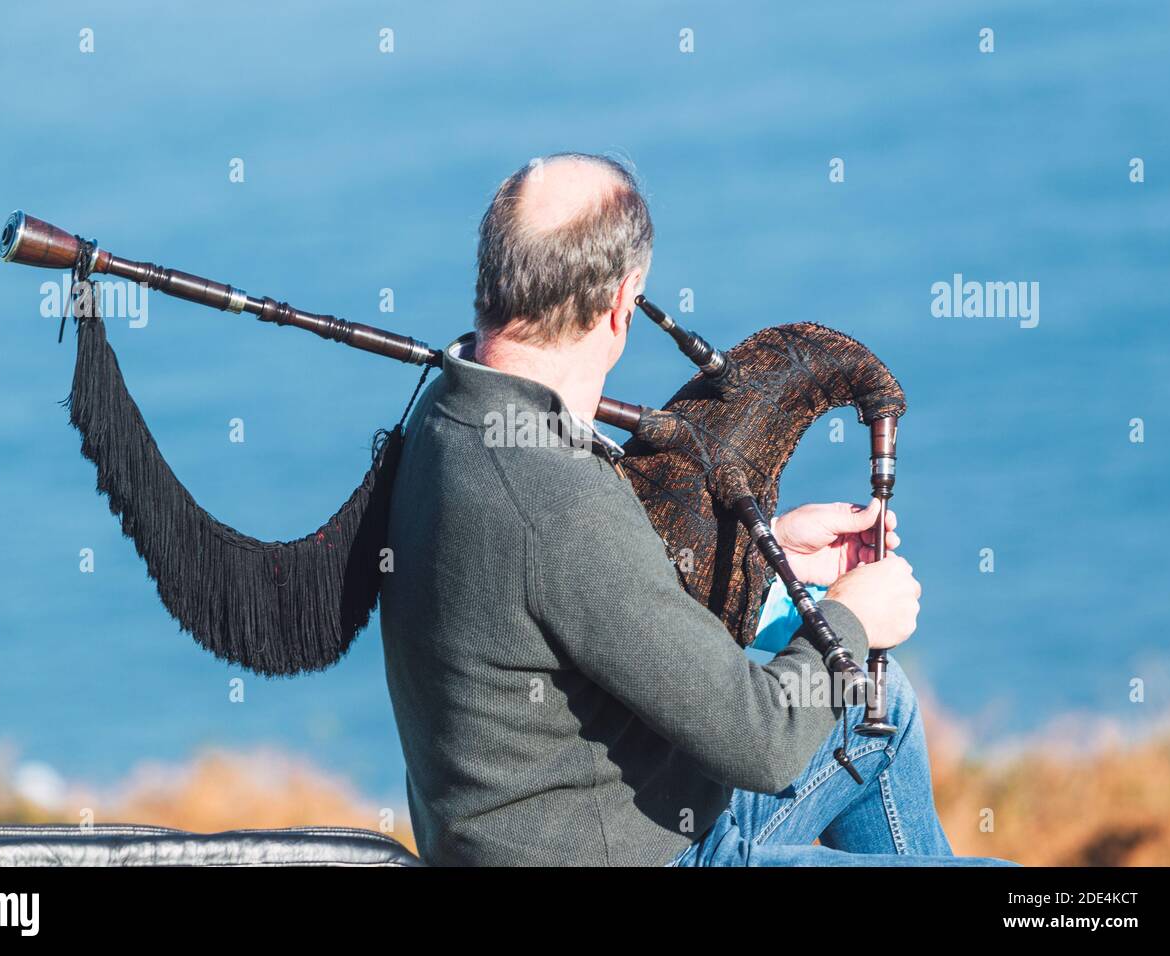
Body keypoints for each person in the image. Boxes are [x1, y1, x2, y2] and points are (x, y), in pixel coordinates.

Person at [380, 152, 1010, 867]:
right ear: (623, 304)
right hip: (634, 853)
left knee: (877, 711)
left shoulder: (452, 411)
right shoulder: (555, 496)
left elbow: (585, 600)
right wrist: (854, 617)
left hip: (561, 817)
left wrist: (767, 555)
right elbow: (765, 744)